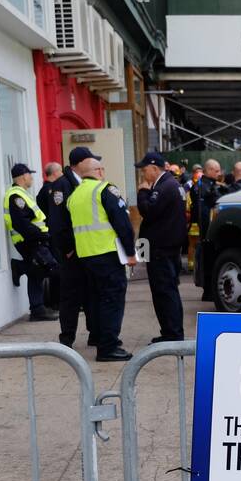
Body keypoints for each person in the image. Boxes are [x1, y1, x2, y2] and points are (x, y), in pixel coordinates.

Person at [66, 151, 136, 361]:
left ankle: (99, 338)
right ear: (97, 171)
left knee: (95, 300)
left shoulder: (75, 195)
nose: (103, 172)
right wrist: (131, 252)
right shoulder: (105, 189)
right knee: (112, 299)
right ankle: (108, 347)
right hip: (107, 253)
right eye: (101, 169)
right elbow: (122, 224)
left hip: (85, 256)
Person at [38, 147, 96, 348]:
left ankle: (94, 333)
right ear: (80, 163)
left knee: (91, 293)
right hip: (72, 253)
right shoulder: (61, 186)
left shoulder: (84, 183)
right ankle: (67, 338)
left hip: (88, 250)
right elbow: (57, 223)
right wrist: (68, 248)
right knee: (71, 297)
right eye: (91, 160)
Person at [135, 151, 187, 343]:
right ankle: (169, 331)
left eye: (145, 170)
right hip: (164, 247)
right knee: (165, 291)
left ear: (155, 168)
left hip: (162, 249)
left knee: (165, 291)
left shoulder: (164, 186)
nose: (143, 174)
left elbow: (148, 211)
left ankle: (172, 332)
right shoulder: (170, 184)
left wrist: (142, 192)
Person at [4, 162, 58, 321]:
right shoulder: (16, 196)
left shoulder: (22, 193)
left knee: (37, 272)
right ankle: (19, 267)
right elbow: (22, 223)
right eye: (30, 174)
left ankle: (37, 309)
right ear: (23, 176)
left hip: (34, 240)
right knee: (50, 268)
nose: (32, 178)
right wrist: (42, 236)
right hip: (30, 241)